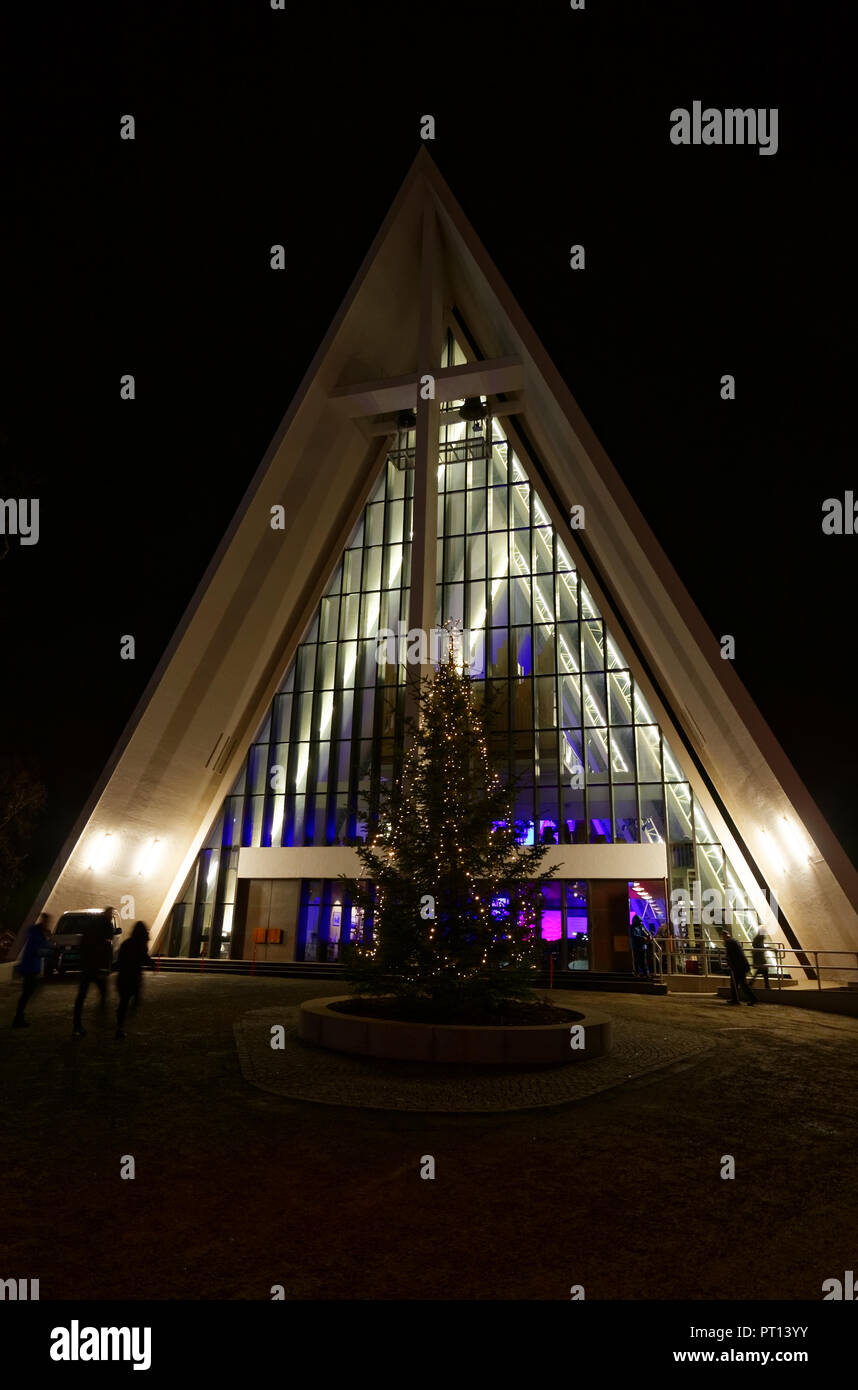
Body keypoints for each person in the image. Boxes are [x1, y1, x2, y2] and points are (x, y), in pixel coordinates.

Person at [73, 910, 114, 1036]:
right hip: (95, 968)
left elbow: (83, 949)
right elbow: (105, 948)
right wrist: (103, 968)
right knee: (102, 994)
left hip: (87, 967)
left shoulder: (90, 930)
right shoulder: (103, 931)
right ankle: (100, 1022)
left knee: (82, 996)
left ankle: (77, 1025)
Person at [115, 921, 153, 1039]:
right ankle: (123, 1024)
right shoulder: (140, 945)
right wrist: (153, 964)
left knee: (124, 1001)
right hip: (133, 977)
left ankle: (120, 1024)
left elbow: (119, 960)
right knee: (132, 1000)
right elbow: (144, 958)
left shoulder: (126, 944)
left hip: (123, 977)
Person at [12, 914, 51, 1027]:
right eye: (47, 921)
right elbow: (36, 951)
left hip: (32, 966)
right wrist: (49, 951)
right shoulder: (37, 935)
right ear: (43, 921)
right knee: (26, 994)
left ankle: (19, 1017)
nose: (48, 924)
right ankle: (18, 1018)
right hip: (30, 967)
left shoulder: (37, 933)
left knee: (27, 993)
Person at [720, 929, 758, 1005]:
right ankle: (736, 999)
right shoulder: (734, 941)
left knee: (740, 984)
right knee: (736, 983)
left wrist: (729, 964)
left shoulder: (728, 942)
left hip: (738, 966)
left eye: (722, 937)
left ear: (724, 936)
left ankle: (751, 999)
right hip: (742, 965)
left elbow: (730, 955)